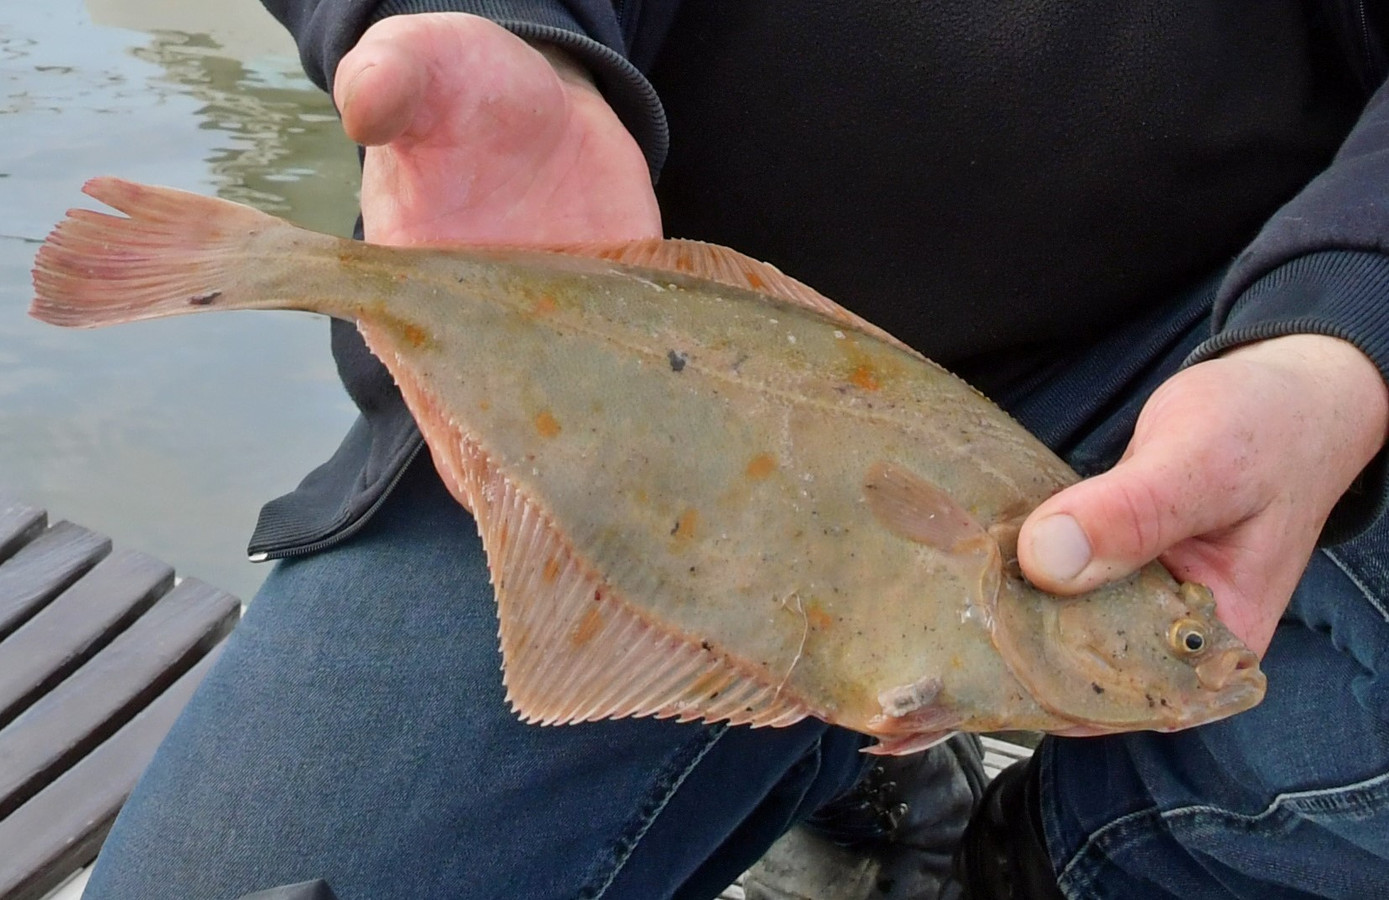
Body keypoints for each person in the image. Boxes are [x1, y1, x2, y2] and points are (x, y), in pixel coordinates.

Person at [82, 4, 1389, 899]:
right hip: (640, 308)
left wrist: (1344, 323)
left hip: (1220, 328)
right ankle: (847, 784)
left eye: (1186, 644)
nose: (1208, 659)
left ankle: (1073, 857)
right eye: (1187, 643)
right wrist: (502, 19)